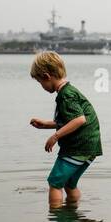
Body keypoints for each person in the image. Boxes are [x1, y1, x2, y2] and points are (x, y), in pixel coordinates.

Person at [29, 51, 102, 207]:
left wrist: (55, 136)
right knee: (69, 184)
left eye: (40, 82)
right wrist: (46, 124)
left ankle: (57, 221)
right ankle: (72, 219)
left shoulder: (65, 95)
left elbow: (79, 119)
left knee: (55, 182)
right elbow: (71, 120)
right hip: (90, 146)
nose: (41, 86)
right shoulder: (70, 90)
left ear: (47, 76)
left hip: (77, 147)